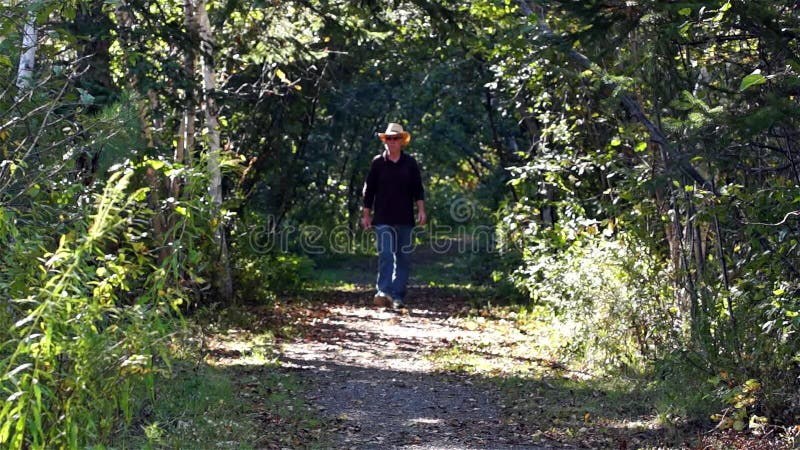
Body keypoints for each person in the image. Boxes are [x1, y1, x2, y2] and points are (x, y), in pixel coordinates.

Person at [361, 122, 426, 310]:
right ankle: (383, 292)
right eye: (388, 139)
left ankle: (397, 296)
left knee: (403, 258)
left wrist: (421, 210)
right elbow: (369, 191)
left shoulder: (410, 163)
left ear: (401, 141)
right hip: (382, 218)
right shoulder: (378, 163)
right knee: (386, 254)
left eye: (395, 138)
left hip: (405, 218)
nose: (391, 142)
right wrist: (366, 214)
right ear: (385, 141)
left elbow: (417, 189)